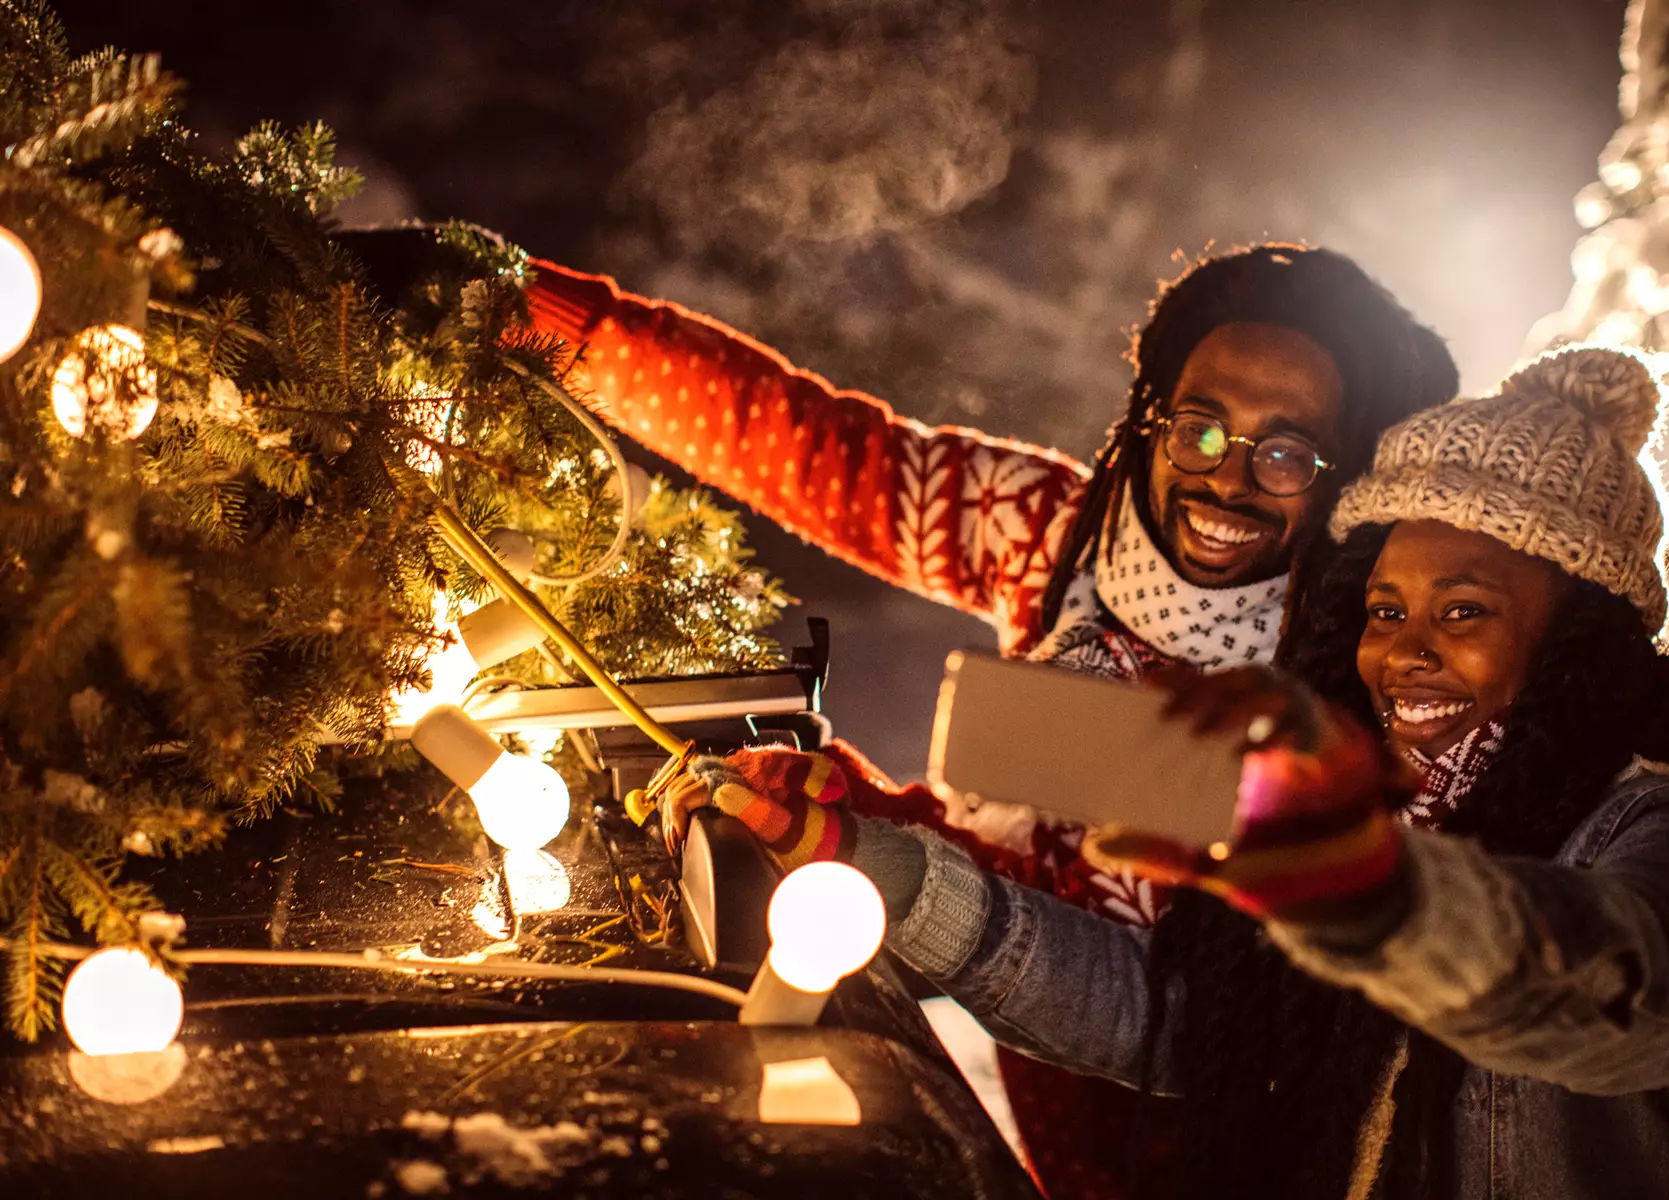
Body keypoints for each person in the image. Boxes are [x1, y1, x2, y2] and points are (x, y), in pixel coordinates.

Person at [668, 346, 1669, 1198]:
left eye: (1466, 611)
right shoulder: (1393, 821)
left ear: (1577, 643)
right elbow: (1174, 1018)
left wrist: (1367, 893)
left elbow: (1611, 990)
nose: (1404, 650)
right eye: (1384, 609)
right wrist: (877, 869)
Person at [527, 244, 1459, 1195]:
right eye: (1201, 430)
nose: (1228, 481)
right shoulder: (1061, 537)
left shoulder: (1351, 672)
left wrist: (880, 837)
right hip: (1041, 1123)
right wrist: (549, 321)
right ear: (1150, 420)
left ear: (1341, 477)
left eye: (1287, 452)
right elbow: (806, 445)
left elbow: (1194, 1006)